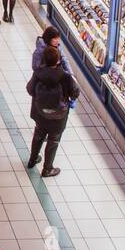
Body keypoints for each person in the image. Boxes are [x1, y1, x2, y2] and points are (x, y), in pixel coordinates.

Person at [26, 46, 79, 177]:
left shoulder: (38, 73)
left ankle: (33, 159)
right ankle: (47, 169)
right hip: (58, 115)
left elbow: (30, 89)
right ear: (58, 61)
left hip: (40, 112)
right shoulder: (65, 77)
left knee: (38, 134)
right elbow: (75, 92)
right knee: (54, 140)